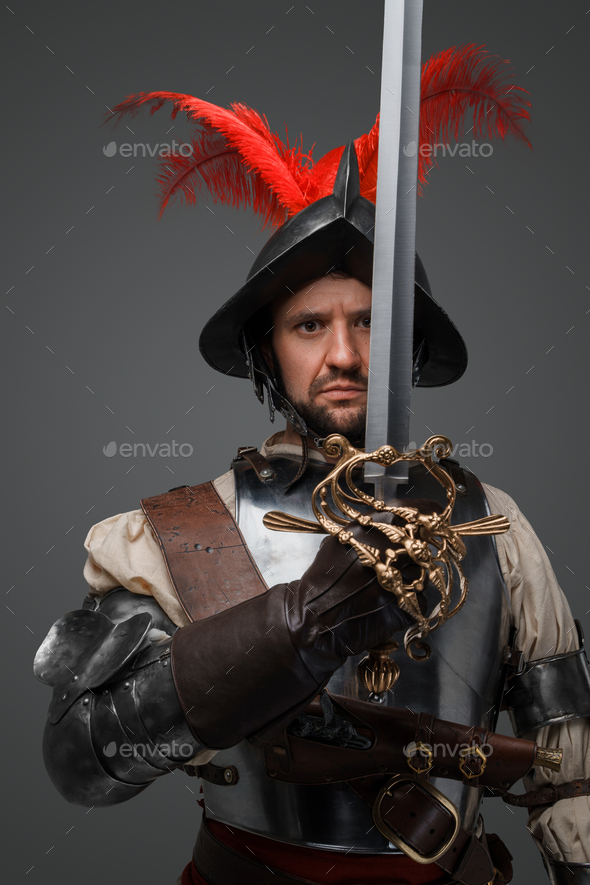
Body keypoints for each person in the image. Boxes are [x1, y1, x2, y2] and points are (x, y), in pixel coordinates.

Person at [34, 105, 590, 884]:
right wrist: (294, 629)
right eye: (308, 325)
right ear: (267, 349)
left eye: (371, 322)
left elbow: (571, 766)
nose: (344, 354)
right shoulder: (179, 533)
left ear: (410, 345)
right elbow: (82, 760)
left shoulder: (494, 526)